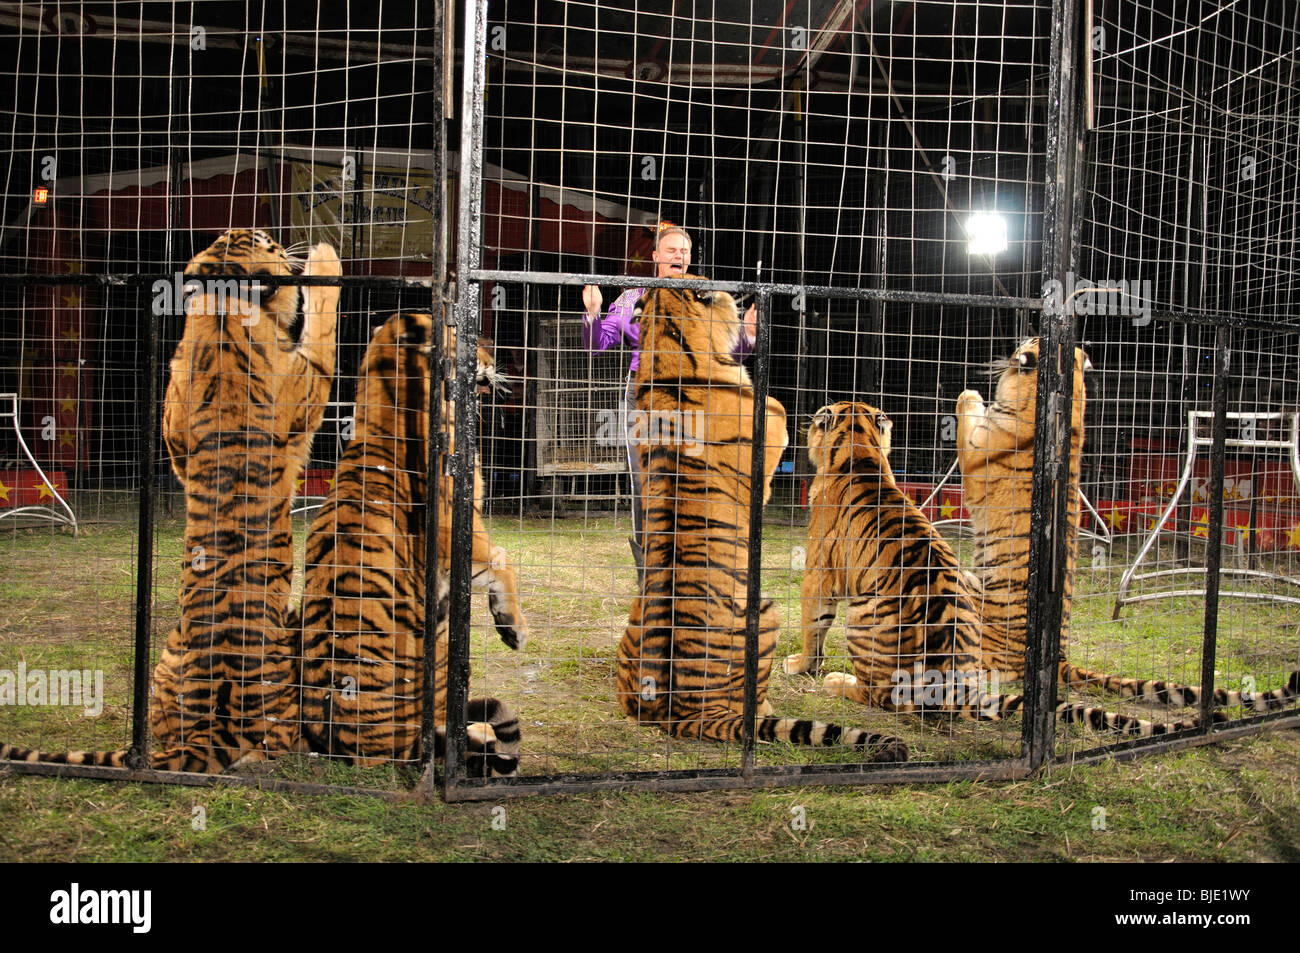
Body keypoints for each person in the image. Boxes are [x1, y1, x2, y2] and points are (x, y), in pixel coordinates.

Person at [581, 223, 757, 583]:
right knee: (647, 481)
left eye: (684, 251)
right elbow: (597, 344)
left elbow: (726, 353)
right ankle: (650, 568)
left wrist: (749, 336)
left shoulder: (703, 295)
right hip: (643, 396)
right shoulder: (633, 296)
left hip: (690, 397)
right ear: (657, 256)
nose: (679, 256)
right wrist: (594, 313)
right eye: (672, 250)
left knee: (690, 478)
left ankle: (690, 564)